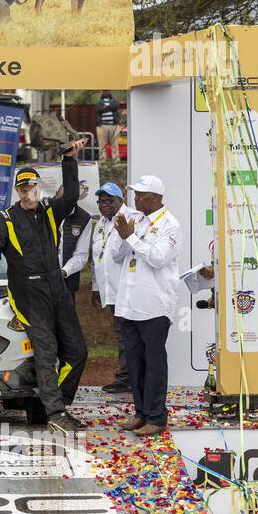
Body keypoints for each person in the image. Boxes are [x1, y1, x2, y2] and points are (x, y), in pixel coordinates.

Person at [0, 142, 89, 433]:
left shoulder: (52, 212)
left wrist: (69, 160)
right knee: (46, 351)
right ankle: (54, 412)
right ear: (18, 191)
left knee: (77, 352)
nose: (29, 194)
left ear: (40, 189)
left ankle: (56, 405)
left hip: (57, 285)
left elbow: (72, 195)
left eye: (33, 188)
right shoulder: (4, 218)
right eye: (23, 189)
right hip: (28, 291)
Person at [109, 175, 181, 436]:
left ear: (157, 198)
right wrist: (122, 237)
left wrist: (131, 239)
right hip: (129, 304)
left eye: (141, 194)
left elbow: (159, 258)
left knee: (153, 363)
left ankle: (156, 417)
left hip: (154, 306)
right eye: (135, 194)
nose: (136, 198)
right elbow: (117, 257)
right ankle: (140, 413)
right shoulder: (136, 220)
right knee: (135, 363)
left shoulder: (170, 225)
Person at [89, 182, 131, 393]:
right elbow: (97, 257)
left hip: (128, 289)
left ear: (120, 201)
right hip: (110, 289)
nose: (103, 204)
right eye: (100, 201)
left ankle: (129, 377)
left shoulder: (130, 218)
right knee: (120, 332)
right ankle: (126, 376)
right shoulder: (100, 223)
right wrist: (96, 286)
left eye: (108, 200)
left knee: (127, 334)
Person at [56, 185, 94, 296]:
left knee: (66, 312)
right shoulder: (43, 213)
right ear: (56, 194)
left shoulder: (84, 218)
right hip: (41, 284)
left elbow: (81, 255)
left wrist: (64, 271)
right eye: (62, 197)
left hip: (67, 284)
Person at [95, 91, 122, 160]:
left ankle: (116, 158)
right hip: (102, 126)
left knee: (115, 144)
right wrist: (109, 107)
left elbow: (115, 107)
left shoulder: (114, 101)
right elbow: (98, 109)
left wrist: (104, 107)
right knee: (102, 144)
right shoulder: (98, 102)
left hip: (114, 125)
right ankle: (103, 159)